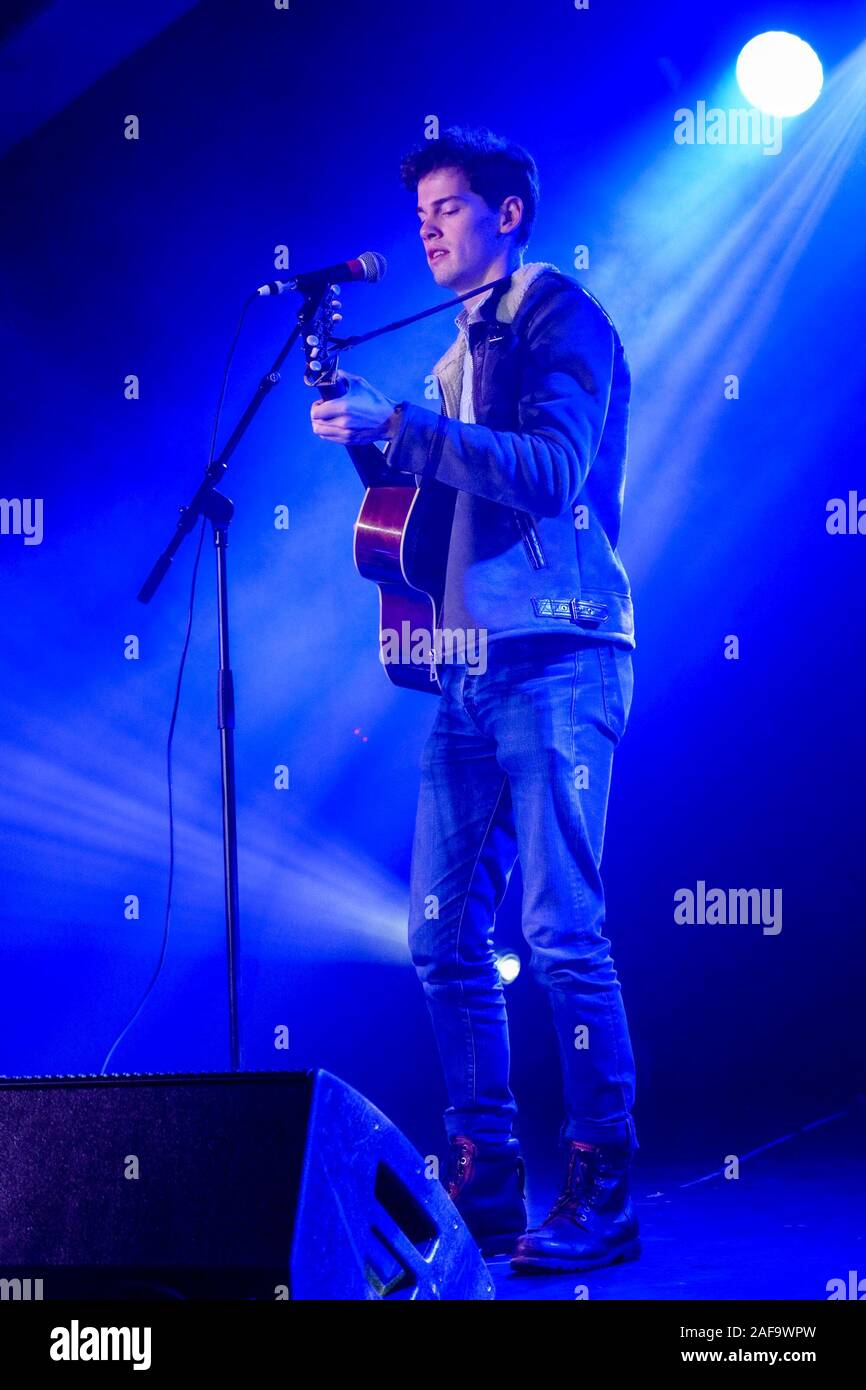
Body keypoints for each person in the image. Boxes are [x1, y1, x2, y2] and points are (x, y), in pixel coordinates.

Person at [310, 126, 639, 1273]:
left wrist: (398, 426)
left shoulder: (560, 317)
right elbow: (432, 503)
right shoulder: (456, 348)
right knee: (440, 935)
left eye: (448, 206)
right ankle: (483, 1180)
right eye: (420, 214)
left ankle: (602, 1185)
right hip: (464, 664)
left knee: (559, 931)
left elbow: (547, 470)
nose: (428, 226)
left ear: (506, 214)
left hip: (560, 651)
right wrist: (373, 436)